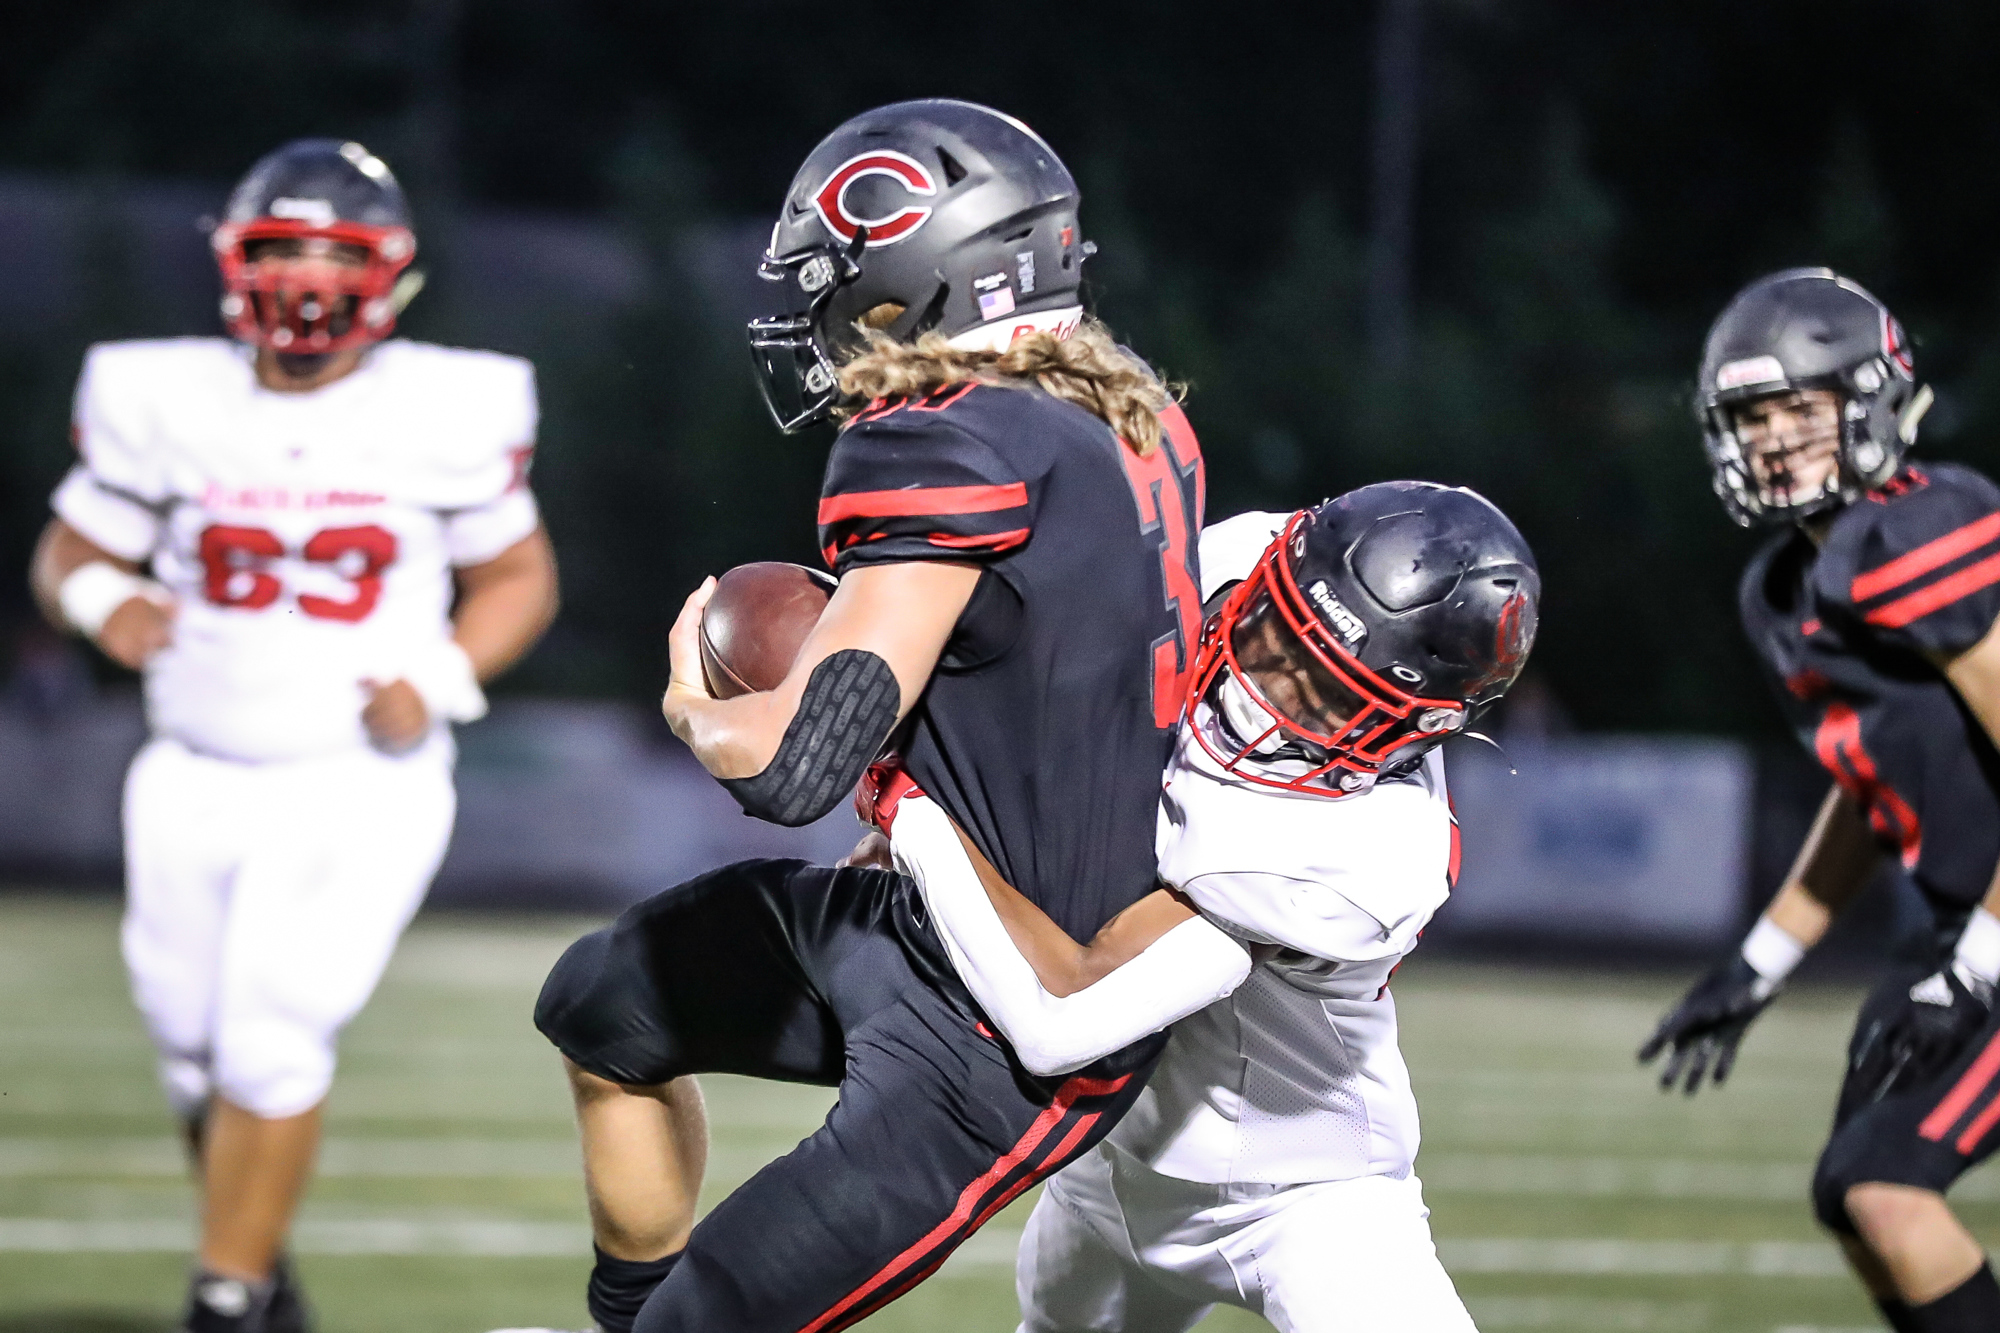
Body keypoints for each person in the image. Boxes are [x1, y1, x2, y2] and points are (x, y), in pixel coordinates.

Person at [524, 100, 1205, 1333]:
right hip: (939, 917)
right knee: (600, 1003)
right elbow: (1035, 669)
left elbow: (790, 767)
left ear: (923, 274)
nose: (834, 320)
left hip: (1007, 1022)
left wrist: (691, 702)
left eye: (843, 287)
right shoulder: (1125, 414)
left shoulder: (947, 442)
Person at [27, 139, 558, 1333]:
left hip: (356, 777)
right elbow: (69, 550)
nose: (309, 284)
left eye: (336, 258)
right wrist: (104, 601)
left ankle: (221, 1299)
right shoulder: (168, 399)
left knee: (270, 1034)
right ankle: (259, 1279)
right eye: (283, 254)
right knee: (189, 1047)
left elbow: (519, 576)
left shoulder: (441, 407)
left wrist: (441, 673)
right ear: (235, 262)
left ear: (389, 273)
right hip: (190, 769)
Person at [872, 483, 1537, 1332]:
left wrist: (908, 803)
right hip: (1108, 1160)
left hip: (1302, 1197)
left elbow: (1060, 1014)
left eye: (1321, 693)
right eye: (1275, 634)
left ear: (1421, 725)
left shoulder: (1371, 853)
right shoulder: (1233, 558)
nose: (1262, 686)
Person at [1638, 268, 2000, 1332]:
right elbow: (1868, 784)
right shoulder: (1780, 590)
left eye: (1800, 407)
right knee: (1853, 1194)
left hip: (1985, 934)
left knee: (1885, 1186)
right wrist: (1760, 961)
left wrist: (1978, 965)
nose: (1774, 439)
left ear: (1871, 399)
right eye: (1753, 417)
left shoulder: (1917, 534)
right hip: (1960, 925)